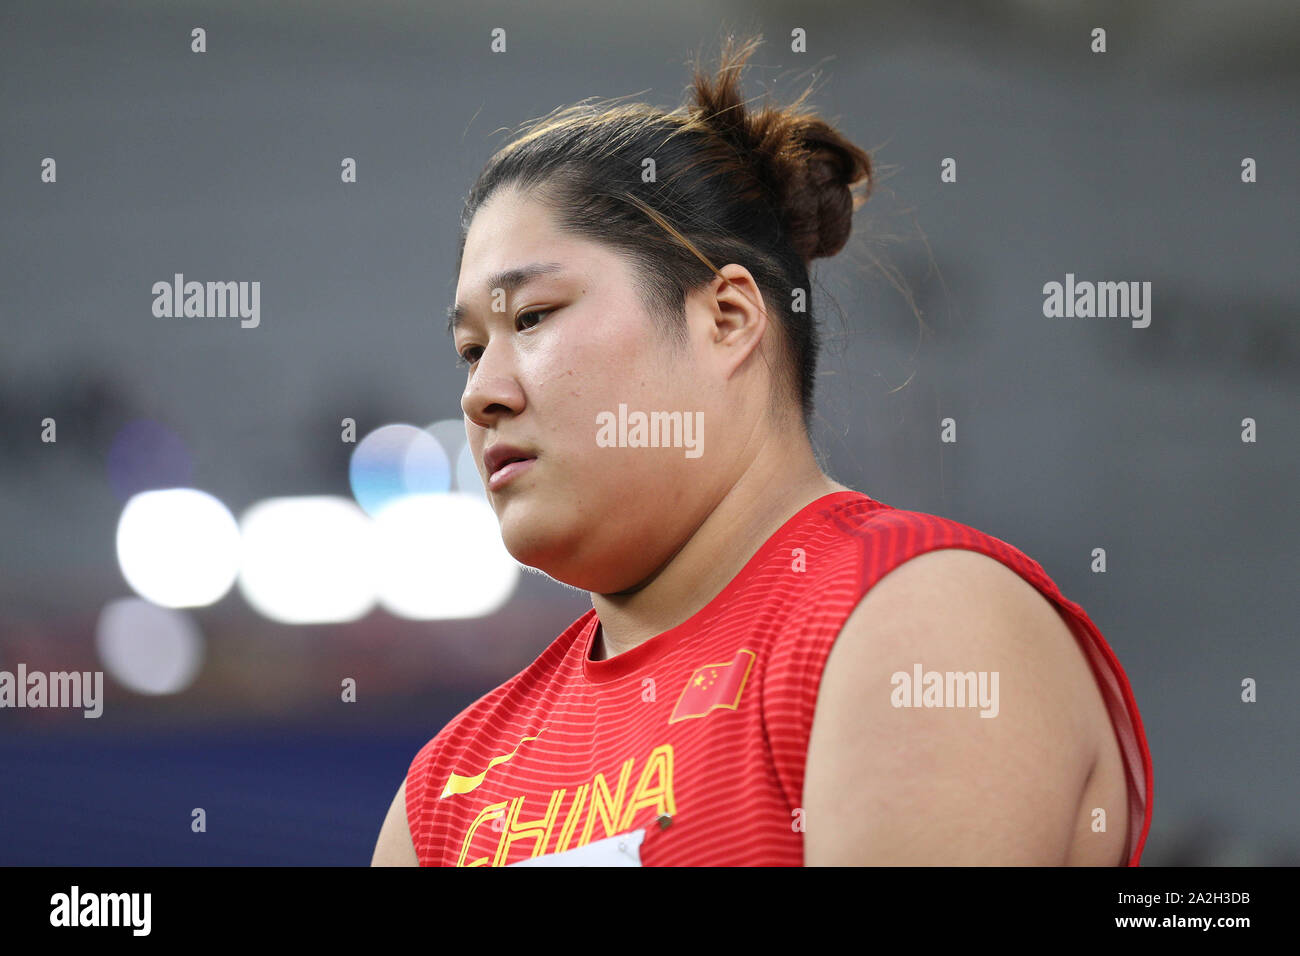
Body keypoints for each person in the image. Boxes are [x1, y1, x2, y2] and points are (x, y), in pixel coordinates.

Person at [371, 33, 1152, 867]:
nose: (480, 393)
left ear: (728, 318)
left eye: (530, 318)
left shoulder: (913, 619)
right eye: (468, 349)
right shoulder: (447, 786)